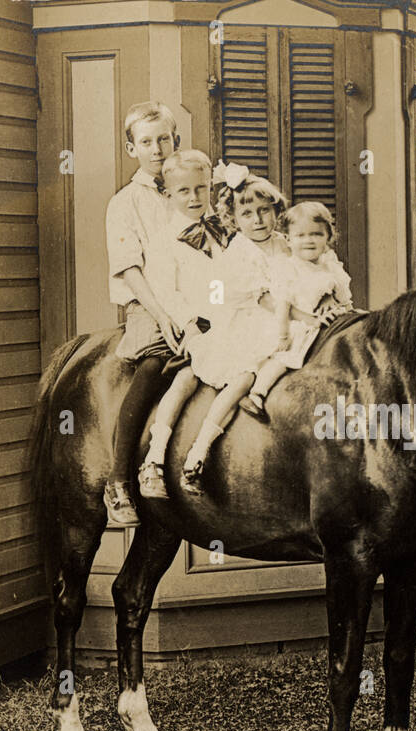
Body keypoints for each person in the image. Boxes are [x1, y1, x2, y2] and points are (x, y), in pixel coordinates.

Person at [173, 163, 292, 494]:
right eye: (248, 214)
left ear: (276, 211)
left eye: (264, 211)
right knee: (245, 377)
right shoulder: (240, 251)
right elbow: (265, 299)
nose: (257, 220)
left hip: (287, 319)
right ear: (234, 220)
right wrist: (299, 314)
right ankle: (200, 449)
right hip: (251, 324)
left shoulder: (285, 243)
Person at [103, 101, 184, 527]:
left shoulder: (189, 192)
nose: (157, 150)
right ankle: (118, 481)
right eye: (147, 142)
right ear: (131, 146)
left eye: (164, 140)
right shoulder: (126, 202)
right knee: (158, 358)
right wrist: (163, 313)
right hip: (149, 302)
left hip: (193, 298)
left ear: (177, 141)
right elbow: (130, 267)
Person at [134, 150, 231, 499]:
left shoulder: (225, 231)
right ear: (168, 195)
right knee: (189, 376)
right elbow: (167, 292)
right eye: (184, 191)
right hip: (197, 326)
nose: (194, 198)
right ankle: (156, 457)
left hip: (231, 321)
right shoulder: (163, 243)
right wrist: (190, 324)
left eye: (201, 189)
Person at [240, 201, 352, 423]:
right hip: (296, 326)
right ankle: (257, 393)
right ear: (288, 240)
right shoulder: (288, 267)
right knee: (286, 356)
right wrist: (282, 335)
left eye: (316, 234)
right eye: (300, 235)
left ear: (328, 238)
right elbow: (283, 305)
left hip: (325, 324)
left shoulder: (331, 266)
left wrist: (345, 311)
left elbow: (344, 298)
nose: (309, 240)